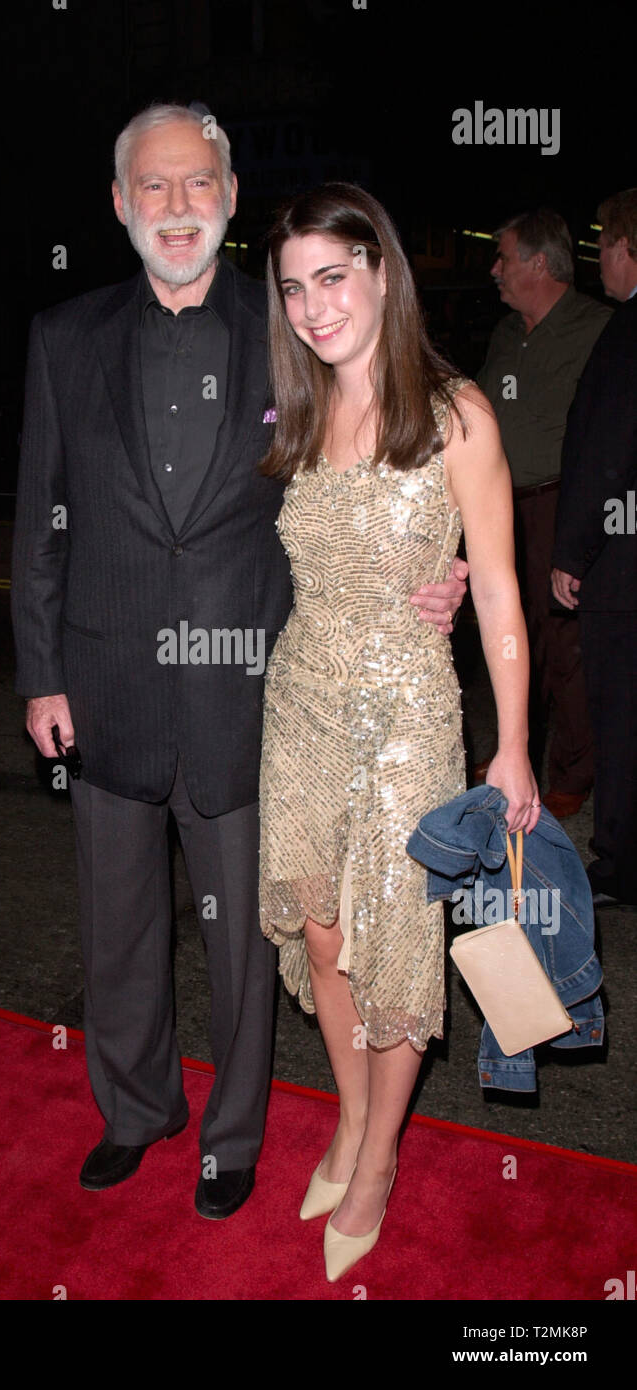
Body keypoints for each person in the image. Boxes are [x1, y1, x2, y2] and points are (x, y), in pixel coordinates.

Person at [10, 108, 468, 1222]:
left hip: (253, 696)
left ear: (228, 193)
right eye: (153, 188)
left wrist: (436, 566)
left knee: (246, 941)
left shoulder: (290, 326)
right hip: (105, 679)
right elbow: (40, 524)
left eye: (198, 183)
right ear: (119, 203)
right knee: (117, 929)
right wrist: (40, 674)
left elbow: (386, 445)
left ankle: (233, 1134)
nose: (177, 206)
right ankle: (135, 1110)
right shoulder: (63, 337)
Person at [257, 183, 539, 1280]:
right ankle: (348, 1116)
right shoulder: (299, 409)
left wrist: (511, 743)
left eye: (333, 277)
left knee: (395, 956)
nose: (314, 306)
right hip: (299, 704)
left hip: (406, 719)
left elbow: (505, 594)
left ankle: (376, 1160)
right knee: (322, 933)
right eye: (293, 287)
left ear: (382, 272)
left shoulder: (460, 413)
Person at [477, 211, 611, 818]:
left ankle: (573, 773)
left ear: (539, 263)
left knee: (566, 646)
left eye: (503, 257)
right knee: (512, 639)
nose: (494, 269)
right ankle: (516, 754)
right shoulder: (506, 333)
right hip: (503, 506)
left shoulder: (596, 328)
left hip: (565, 503)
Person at [552, 188, 637, 909]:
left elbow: (608, 453)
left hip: (622, 569)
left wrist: (572, 551)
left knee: (620, 710)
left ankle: (621, 862)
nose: (598, 256)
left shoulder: (627, 330)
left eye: (605, 240)